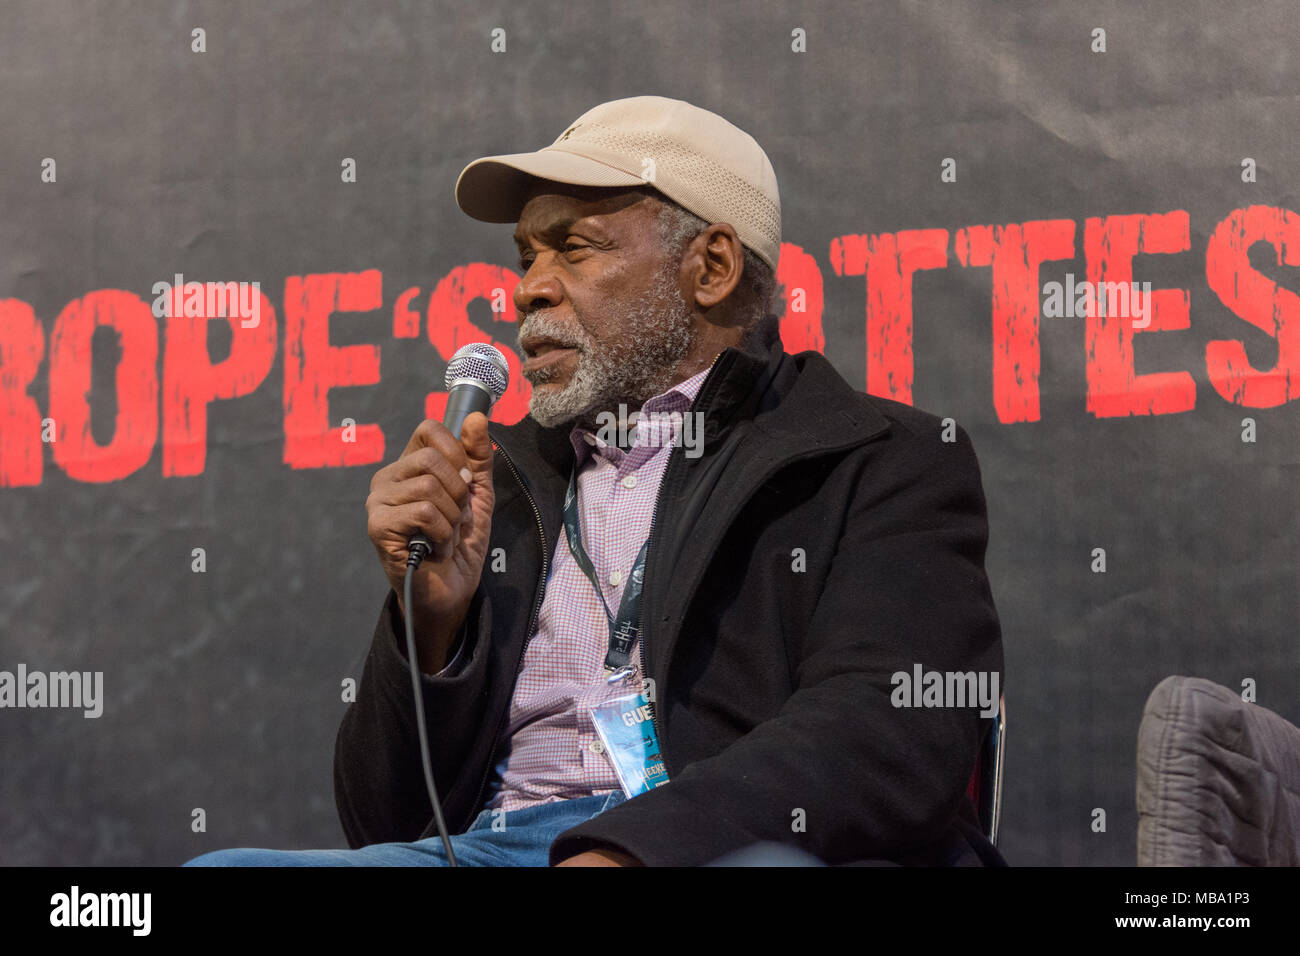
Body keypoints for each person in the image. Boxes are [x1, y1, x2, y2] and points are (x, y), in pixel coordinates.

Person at [186, 94, 1005, 868]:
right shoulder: (495, 484)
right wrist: (429, 634)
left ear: (711, 267)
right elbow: (386, 825)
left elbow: (890, 728)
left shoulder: (869, 457)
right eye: (525, 256)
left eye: (573, 248)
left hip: (709, 847)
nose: (529, 287)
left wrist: (631, 848)